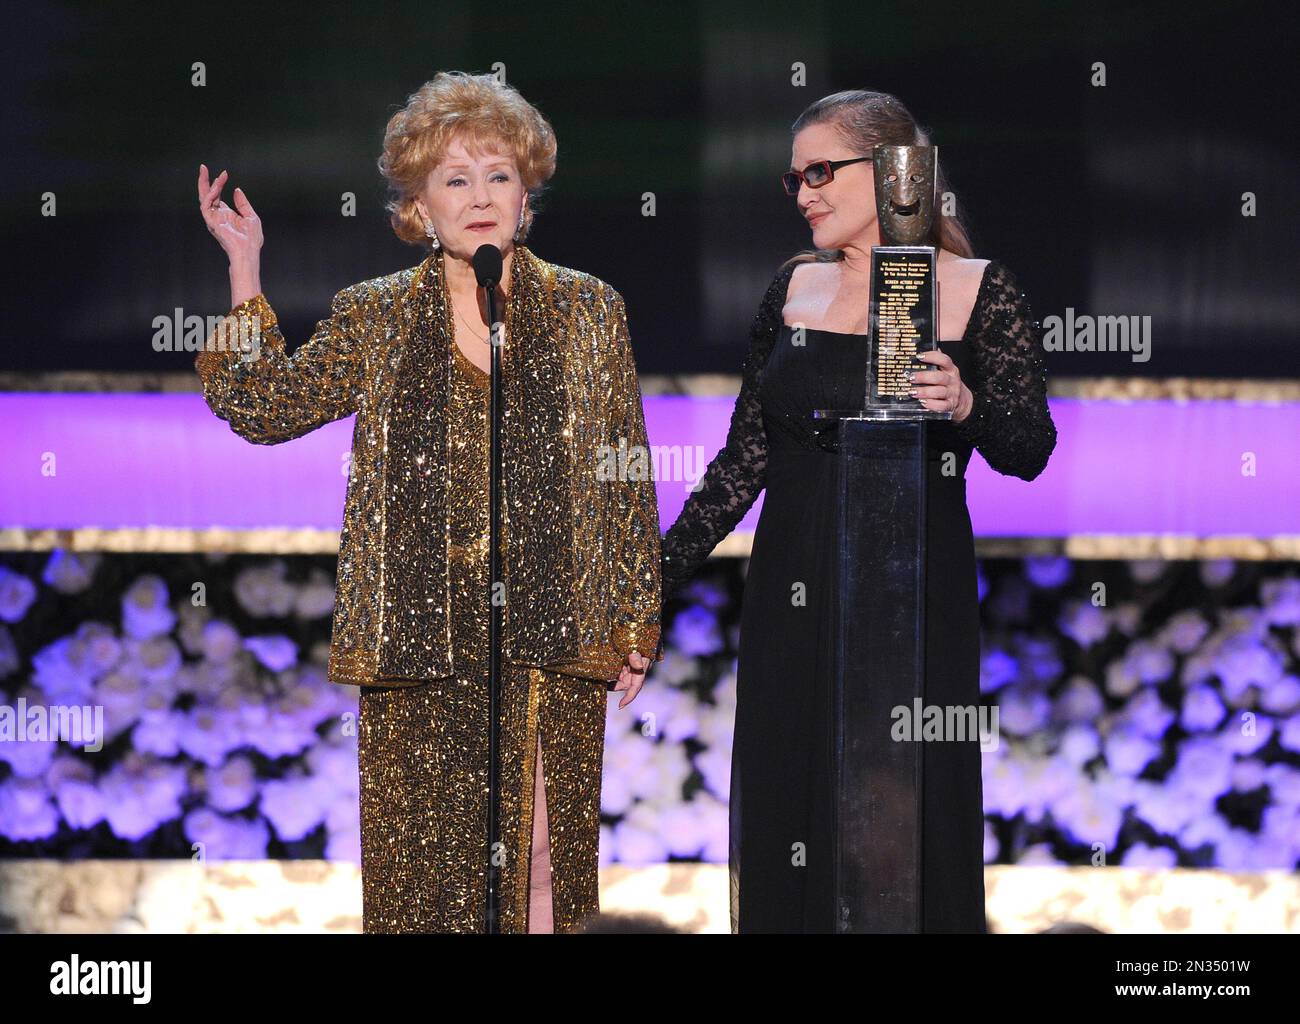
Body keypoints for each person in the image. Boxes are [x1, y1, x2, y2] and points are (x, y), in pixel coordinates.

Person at [194, 71, 662, 933]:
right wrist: (245, 267)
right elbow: (263, 407)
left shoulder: (590, 310)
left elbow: (623, 470)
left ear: (525, 195)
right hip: (418, 644)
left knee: (544, 865)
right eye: (456, 179)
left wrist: (635, 616)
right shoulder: (377, 315)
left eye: (498, 176)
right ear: (419, 205)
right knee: (426, 889)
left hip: (554, 636)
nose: (480, 197)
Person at [659, 89, 1057, 933]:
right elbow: (744, 460)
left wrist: (966, 407)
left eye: (820, 172)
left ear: (892, 172)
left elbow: (1029, 449)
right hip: (791, 592)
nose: (803, 194)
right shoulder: (793, 289)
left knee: (898, 817)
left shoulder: (976, 290)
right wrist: (649, 585)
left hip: (911, 597)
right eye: (794, 178)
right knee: (789, 801)